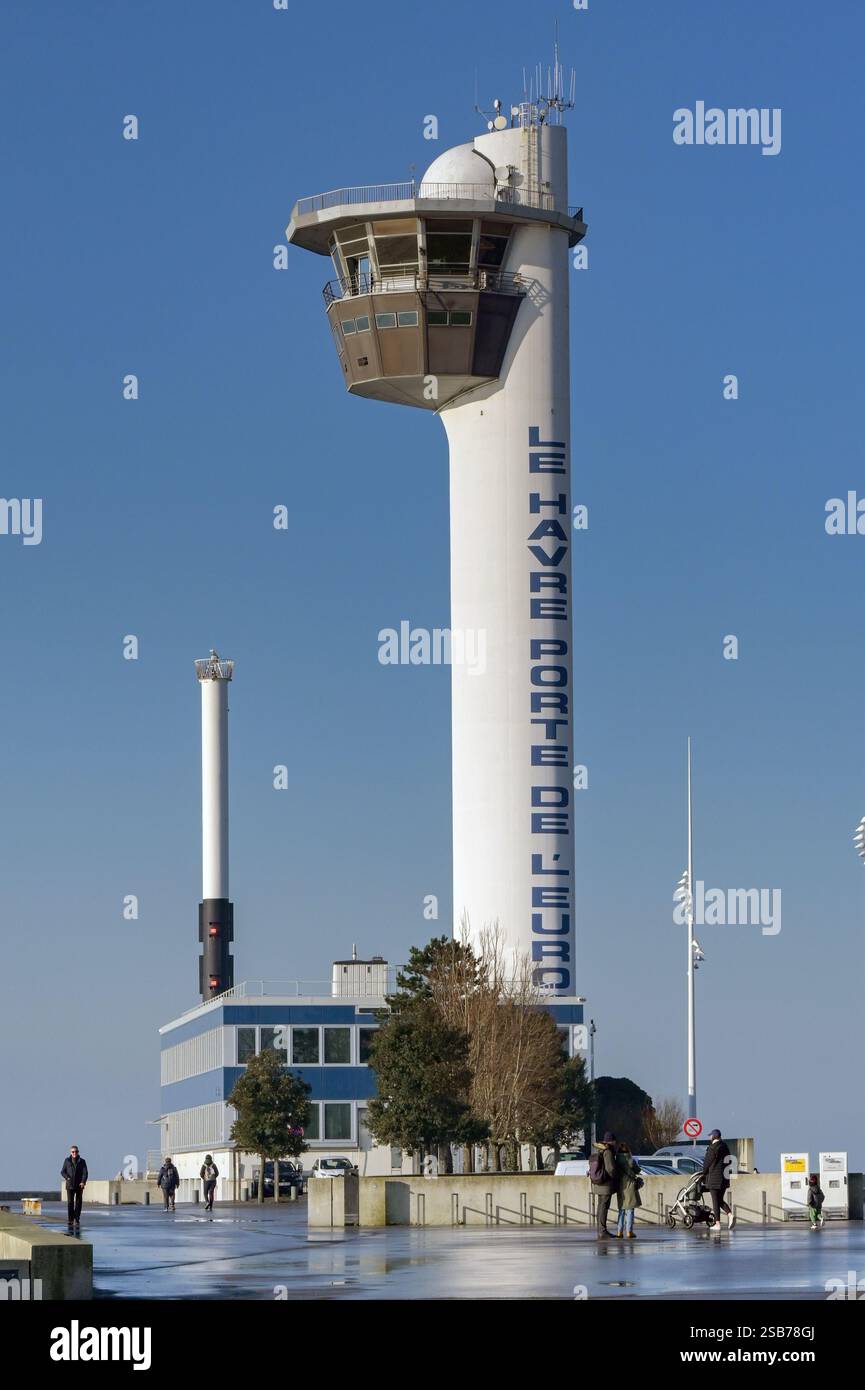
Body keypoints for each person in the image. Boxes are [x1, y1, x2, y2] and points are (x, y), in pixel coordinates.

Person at [701, 1128, 736, 1231]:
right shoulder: (725, 1147)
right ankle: (730, 1214)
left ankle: (717, 1224)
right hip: (724, 1178)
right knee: (720, 1200)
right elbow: (729, 1161)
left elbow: (707, 1163)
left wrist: (703, 1173)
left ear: (713, 1136)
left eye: (710, 1135)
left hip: (714, 1178)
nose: (709, 1137)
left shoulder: (712, 1148)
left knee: (715, 1201)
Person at [589, 1131, 619, 1239]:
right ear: (612, 1141)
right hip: (605, 1184)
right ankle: (603, 1231)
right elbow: (610, 1168)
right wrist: (616, 1177)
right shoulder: (608, 1152)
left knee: (600, 1206)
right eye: (614, 1141)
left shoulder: (600, 1150)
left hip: (598, 1183)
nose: (616, 1143)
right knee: (604, 1207)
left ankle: (601, 1230)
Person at [615, 1141, 642, 1239]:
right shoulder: (631, 1160)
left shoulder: (616, 1160)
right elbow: (638, 1170)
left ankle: (619, 1232)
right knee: (630, 1209)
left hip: (620, 1187)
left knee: (621, 1209)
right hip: (630, 1186)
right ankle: (629, 1231)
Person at [61, 1145, 88, 1229]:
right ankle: (70, 1219)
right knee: (70, 1203)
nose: (74, 1153)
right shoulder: (67, 1160)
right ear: (70, 1152)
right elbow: (62, 1171)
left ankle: (77, 1219)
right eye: (73, 1152)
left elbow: (85, 1173)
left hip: (79, 1185)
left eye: (76, 1151)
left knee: (78, 1203)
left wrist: (83, 1182)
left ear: (78, 1152)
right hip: (70, 1185)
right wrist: (67, 1177)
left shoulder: (82, 1161)